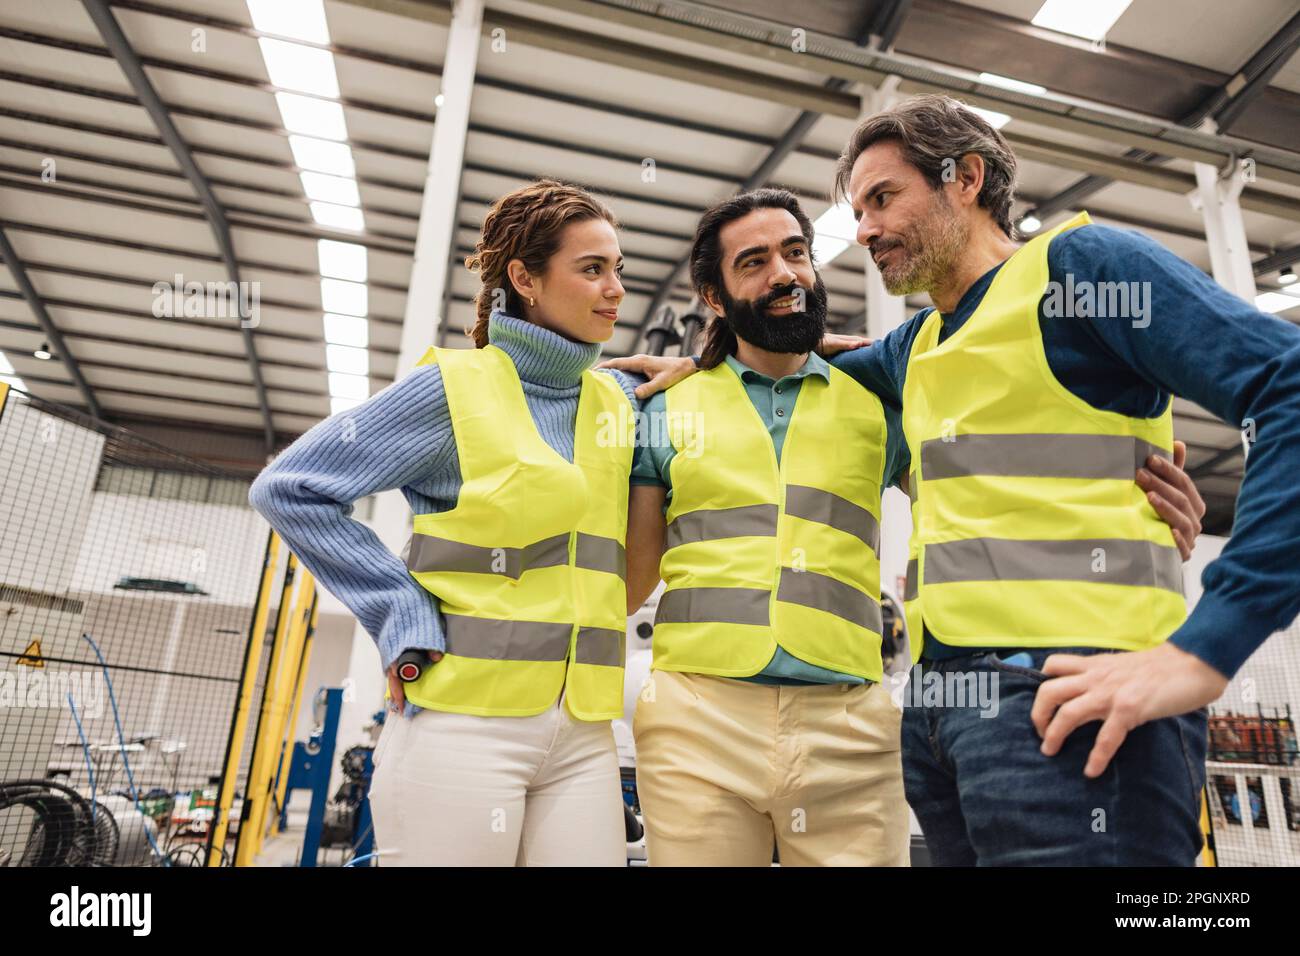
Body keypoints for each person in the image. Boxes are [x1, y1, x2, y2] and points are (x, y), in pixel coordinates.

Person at [606, 182, 1208, 866]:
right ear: (714, 298)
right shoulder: (668, 406)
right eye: (753, 262)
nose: (785, 273)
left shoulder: (874, 400)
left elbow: (985, 502)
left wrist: (1134, 506)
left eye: (796, 253)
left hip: (852, 727)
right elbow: (630, 582)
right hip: (697, 721)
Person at [251, 180, 644, 866]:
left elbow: (718, 375)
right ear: (524, 278)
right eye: (592, 269)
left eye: (618, 270)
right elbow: (290, 487)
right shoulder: (452, 390)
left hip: (584, 731)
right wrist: (399, 609)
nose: (615, 289)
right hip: (462, 726)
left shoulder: (613, 398)